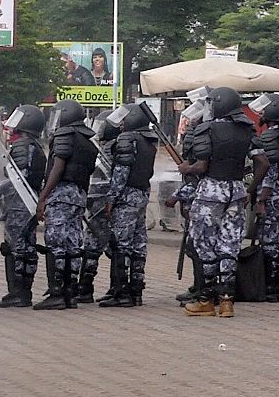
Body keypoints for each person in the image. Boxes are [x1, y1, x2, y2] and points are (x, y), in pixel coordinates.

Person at [179, 87, 254, 318]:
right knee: (229, 246)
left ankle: (205, 300)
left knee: (205, 245)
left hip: (211, 191)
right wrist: (249, 189)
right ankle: (227, 301)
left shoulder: (207, 129)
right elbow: (262, 161)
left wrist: (186, 168)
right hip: (237, 190)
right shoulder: (247, 130)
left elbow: (200, 166)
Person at [34, 99, 96, 310]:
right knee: (72, 245)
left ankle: (57, 292)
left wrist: (43, 197)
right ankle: (71, 293)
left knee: (56, 244)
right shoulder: (87, 139)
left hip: (61, 194)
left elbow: (58, 167)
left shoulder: (64, 135)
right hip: (78, 195)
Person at [99, 104, 157, 308]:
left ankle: (121, 292)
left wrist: (111, 200)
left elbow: (120, 175)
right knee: (139, 244)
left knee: (121, 245)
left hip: (126, 197)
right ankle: (136, 290)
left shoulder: (127, 140)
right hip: (141, 195)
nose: (121, 123)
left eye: (124, 119)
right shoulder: (149, 141)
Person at [0, 105, 46, 308]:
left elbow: (17, 178)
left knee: (17, 248)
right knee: (27, 246)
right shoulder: (34, 146)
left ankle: (18, 292)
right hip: (28, 203)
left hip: (19, 204)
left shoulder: (23, 146)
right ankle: (23, 291)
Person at [246, 93, 279, 303]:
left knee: (268, 238)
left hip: (272, 193)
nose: (261, 114)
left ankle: (267, 285)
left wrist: (261, 200)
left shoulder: (268, 137)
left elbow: (270, 170)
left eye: (264, 110)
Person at [166, 99, 208, 304]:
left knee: (197, 247)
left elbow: (197, 180)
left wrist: (177, 196)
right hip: (206, 201)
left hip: (203, 203)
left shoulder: (205, 141)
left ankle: (203, 288)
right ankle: (201, 286)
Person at [84, 111, 120, 304]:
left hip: (104, 200)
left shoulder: (113, 147)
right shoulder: (101, 146)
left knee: (104, 242)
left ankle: (112, 286)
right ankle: (85, 286)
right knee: (92, 242)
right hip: (97, 199)